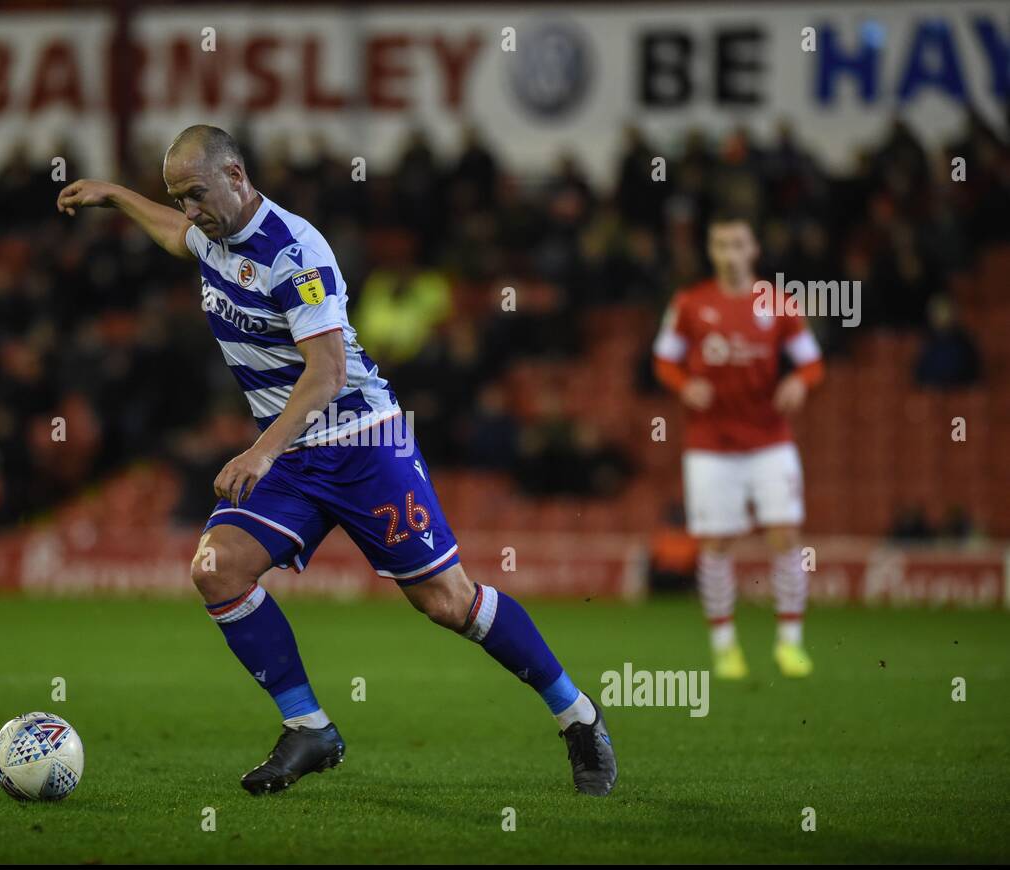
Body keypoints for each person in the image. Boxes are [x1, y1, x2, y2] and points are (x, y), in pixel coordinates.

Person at [56, 126, 616, 797]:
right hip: (292, 454)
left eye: (196, 194)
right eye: (178, 197)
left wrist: (261, 449)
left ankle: (577, 715)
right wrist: (117, 196)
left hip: (363, 444)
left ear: (236, 174)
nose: (188, 211)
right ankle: (310, 728)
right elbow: (179, 238)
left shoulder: (294, 252)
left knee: (448, 601)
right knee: (217, 567)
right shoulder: (207, 229)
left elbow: (327, 370)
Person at [653, 215, 823, 679]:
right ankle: (725, 645)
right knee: (717, 542)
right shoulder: (689, 303)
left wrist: (797, 383)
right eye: (721, 244)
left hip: (770, 438)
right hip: (710, 444)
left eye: (738, 244)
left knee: (785, 534)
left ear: (753, 249)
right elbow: (664, 359)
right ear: (712, 251)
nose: (730, 252)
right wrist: (685, 385)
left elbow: (811, 364)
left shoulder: (779, 302)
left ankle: (790, 642)